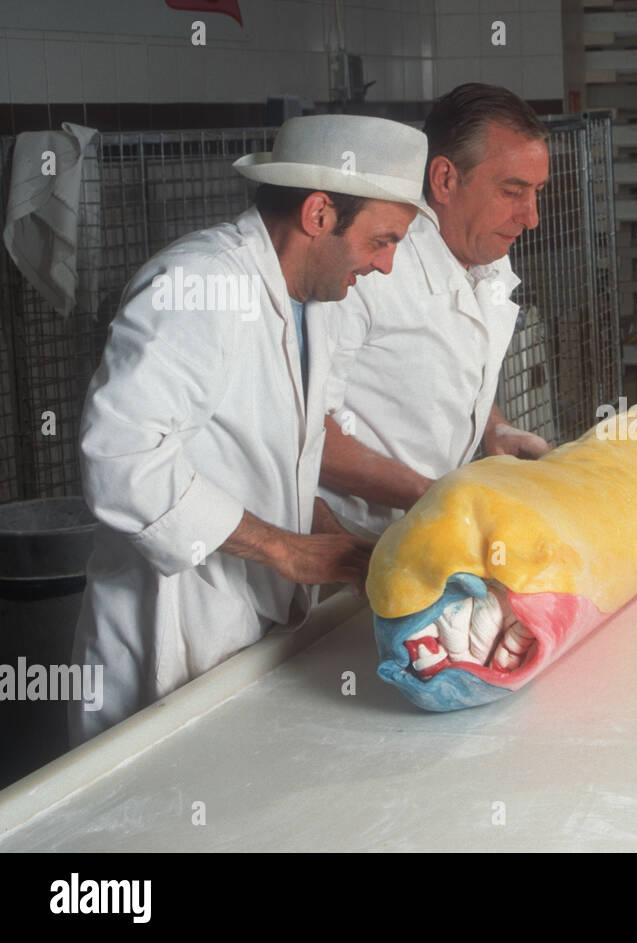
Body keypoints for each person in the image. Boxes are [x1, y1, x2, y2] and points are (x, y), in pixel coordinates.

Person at [71, 115, 432, 742]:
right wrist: (287, 550)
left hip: (254, 627)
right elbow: (120, 458)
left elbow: (285, 456)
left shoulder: (314, 304)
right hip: (174, 627)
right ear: (319, 214)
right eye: (382, 240)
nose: (386, 265)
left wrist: (343, 549)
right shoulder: (200, 285)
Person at [319, 84, 552, 540]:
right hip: (345, 539)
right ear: (445, 180)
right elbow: (305, 430)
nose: (532, 216)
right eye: (513, 191)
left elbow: (452, 364)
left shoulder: (484, 252)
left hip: (427, 527)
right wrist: (438, 495)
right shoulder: (371, 265)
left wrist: (494, 429)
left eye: (537, 191)